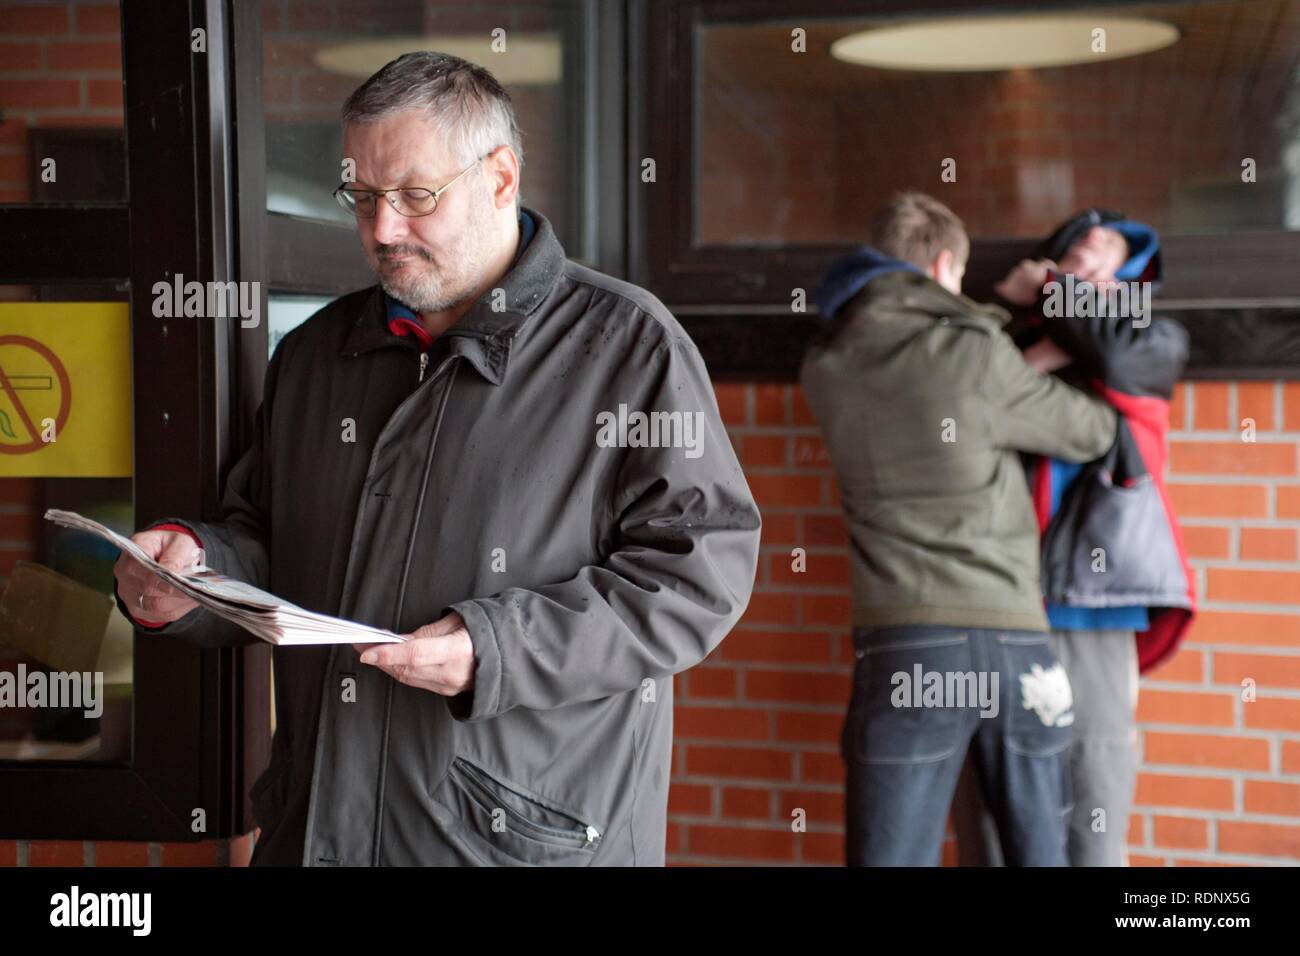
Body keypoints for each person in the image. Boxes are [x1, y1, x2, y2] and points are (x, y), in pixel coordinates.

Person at [111, 52, 761, 866]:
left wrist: (496, 649)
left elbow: (698, 573)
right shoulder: (315, 353)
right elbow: (274, 539)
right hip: (316, 833)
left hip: (516, 843)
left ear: (499, 177)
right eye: (365, 197)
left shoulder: (627, 348)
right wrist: (195, 572)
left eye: (416, 196)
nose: (383, 229)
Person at [800, 192, 1118, 866]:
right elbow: (1091, 432)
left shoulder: (825, 365)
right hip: (1013, 639)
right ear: (946, 264)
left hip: (904, 644)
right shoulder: (976, 351)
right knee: (1040, 852)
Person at [954, 209, 1194, 867]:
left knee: (1094, 787)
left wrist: (1050, 296)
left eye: (1106, 249)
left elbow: (1112, 351)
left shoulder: (1155, 337)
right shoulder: (1003, 337)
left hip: (1096, 599)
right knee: (988, 791)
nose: (1090, 250)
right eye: (1075, 248)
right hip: (996, 598)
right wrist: (1020, 316)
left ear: (1130, 276)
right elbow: (963, 398)